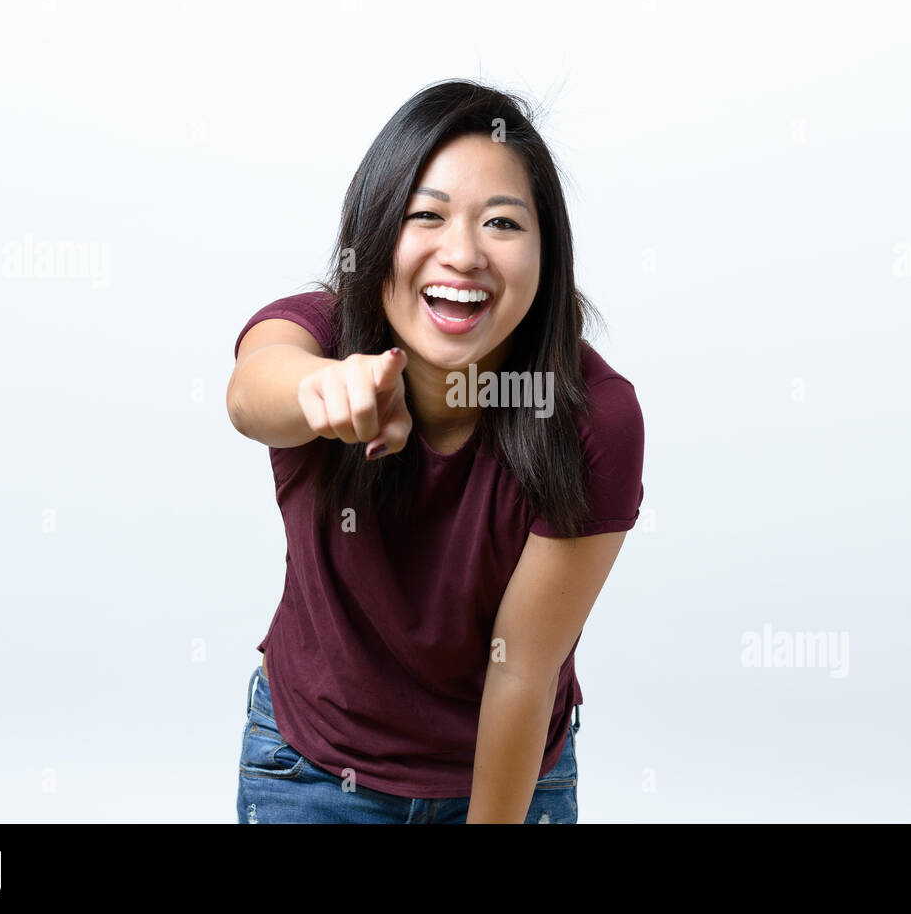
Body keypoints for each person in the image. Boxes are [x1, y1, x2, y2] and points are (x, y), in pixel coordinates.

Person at [226, 79, 645, 823]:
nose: (463, 253)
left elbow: (520, 671)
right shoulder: (318, 334)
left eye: (503, 224)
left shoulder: (593, 417)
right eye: (427, 215)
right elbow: (253, 392)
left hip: (512, 771)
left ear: (548, 253)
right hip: (312, 766)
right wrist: (325, 390)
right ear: (377, 231)